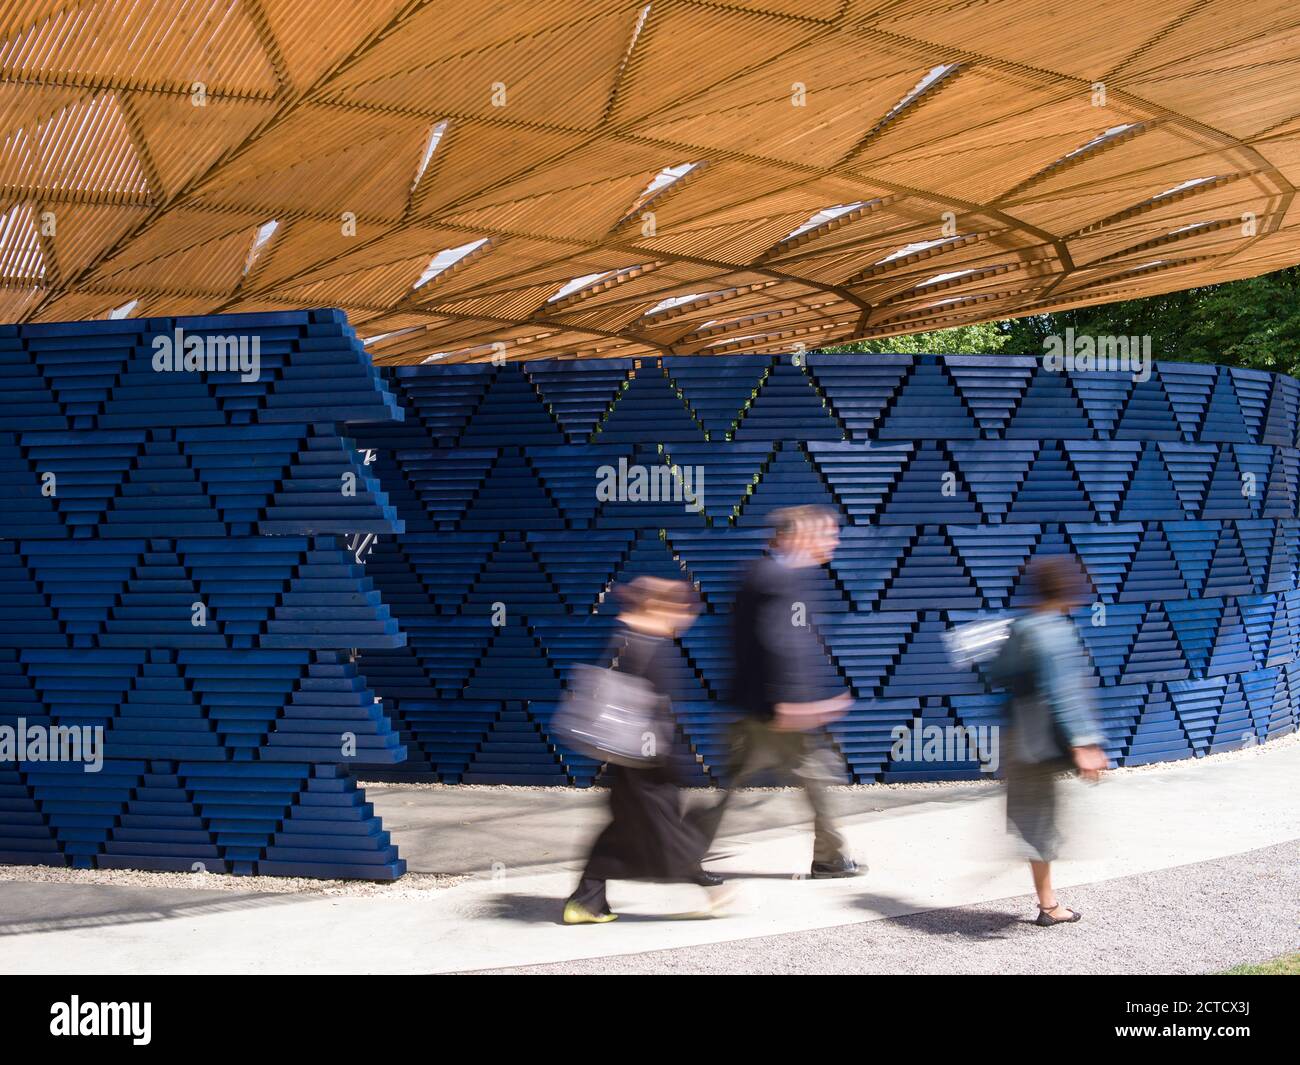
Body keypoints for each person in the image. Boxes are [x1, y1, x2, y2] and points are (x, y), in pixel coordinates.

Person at [693, 505, 859, 879]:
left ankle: (684, 850)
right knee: (815, 777)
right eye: (827, 533)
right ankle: (830, 859)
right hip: (775, 712)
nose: (834, 541)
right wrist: (790, 704)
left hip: (765, 707)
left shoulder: (782, 574)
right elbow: (775, 645)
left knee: (750, 783)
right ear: (800, 534)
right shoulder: (775, 578)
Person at [564, 576, 733, 924]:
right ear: (662, 607)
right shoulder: (649, 643)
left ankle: (586, 900)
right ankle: (712, 890)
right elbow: (655, 712)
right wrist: (672, 761)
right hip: (646, 761)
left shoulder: (627, 637)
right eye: (684, 610)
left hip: (628, 755)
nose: (687, 618)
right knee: (663, 828)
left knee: (625, 828)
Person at [990, 555, 1108, 926]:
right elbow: (1064, 692)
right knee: (1040, 821)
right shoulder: (1056, 630)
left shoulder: (1023, 627)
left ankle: (1047, 899)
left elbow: (997, 673)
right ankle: (1048, 905)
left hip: (1018, 738)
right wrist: (1083, 743)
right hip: (1039, 744)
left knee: (1033, 819)